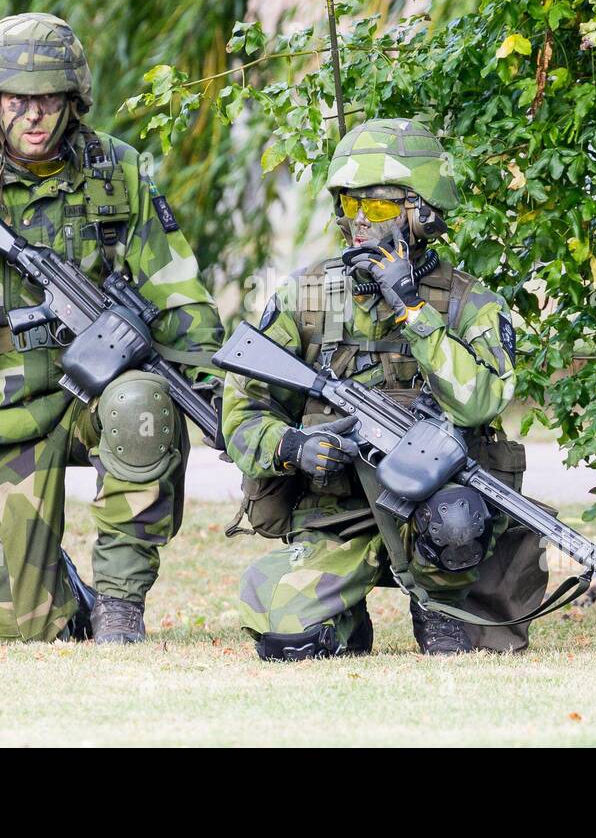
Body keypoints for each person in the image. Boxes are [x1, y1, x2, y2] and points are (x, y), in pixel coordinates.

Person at [0, 12, 223, 645]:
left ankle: (117, 604)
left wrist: (220, 395)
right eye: (16, 100)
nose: (32, 115)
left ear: (73, 101)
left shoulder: (118, 170)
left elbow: (177, 293)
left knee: (144, 402)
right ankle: (61, 588)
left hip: (101, 391)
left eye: (48, 99)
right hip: (1, 402)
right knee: (20, 625)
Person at [221, 118, 549, 659]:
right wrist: (293, 448)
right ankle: (344, 620)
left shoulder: (472, 305)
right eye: (350, 207)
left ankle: (441, 608)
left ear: (424, 214)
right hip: (338, 514)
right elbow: (243, 408)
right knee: (289, 639)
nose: (359, 225)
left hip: (445, 519)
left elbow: (479, 401)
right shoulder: (306, 296)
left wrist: (414, 313)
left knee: (457, 521)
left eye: (376, 209)